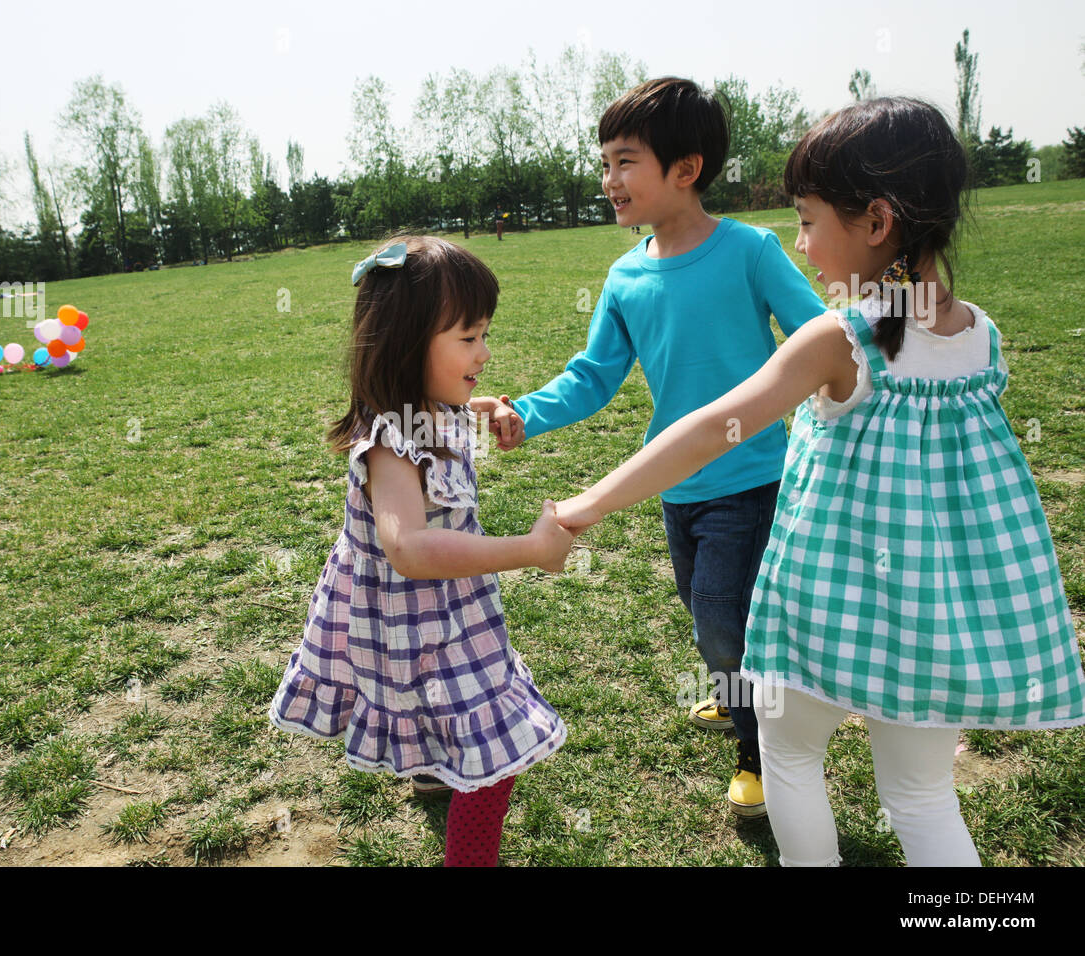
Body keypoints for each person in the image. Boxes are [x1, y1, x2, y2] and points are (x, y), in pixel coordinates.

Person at [552, 97, 1085, 866]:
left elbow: (710, 430)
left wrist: (584, 505)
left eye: (806, 219)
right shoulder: (982, 338)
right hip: (925, 621)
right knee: (923, 798)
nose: (799, 244)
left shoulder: (841, 339)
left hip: (823, 613)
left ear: (875, 222)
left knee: (791, 758)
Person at [477, 77, 826, 817]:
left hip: (754, 479)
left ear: (686, 169)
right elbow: (595, 375)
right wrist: (525, 415)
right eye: (604, 162)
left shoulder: (751, 251)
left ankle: (757, 751)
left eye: (624, 161)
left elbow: (819, 336)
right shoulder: (625, 274)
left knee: (722, 617)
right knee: (707, 614)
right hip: (677, 488)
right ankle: (737, 697)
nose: (608, 180)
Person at [269, 234, 574, 867]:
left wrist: (485, 407)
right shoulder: (388, 440)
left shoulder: (432, 409)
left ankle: (441, 772)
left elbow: (455, 415)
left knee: (469, 740)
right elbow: (406, 546)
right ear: (408, 346)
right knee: (493, 764)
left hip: (453, 619)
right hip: (417, 629)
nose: (485, 353)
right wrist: (528, 548)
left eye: (484, 334)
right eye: (469, 339)